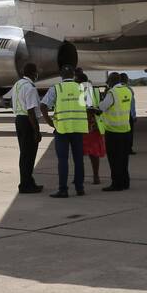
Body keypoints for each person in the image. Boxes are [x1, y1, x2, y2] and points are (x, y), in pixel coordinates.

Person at [40, 64, 92, 197]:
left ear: (61, 76)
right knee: (78, 159)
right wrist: (89, 123)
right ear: (73, 75)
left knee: (63, 160)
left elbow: (43, 105)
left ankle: (63, 189)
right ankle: (80, 188)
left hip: (62, 129)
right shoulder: (81, 88)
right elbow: (89, 107)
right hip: (78, 128)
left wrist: (50, 122)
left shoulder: (56, 88)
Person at [11, 62, 44, 194]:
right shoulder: (30, 88)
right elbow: (31, 110)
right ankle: (26, 184)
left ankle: (28, 181)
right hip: (27, 121)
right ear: (33, 73)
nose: (37, 74)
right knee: (29, 154)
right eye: (36, 72)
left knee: (24, 154)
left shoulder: (17, 85)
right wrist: (37, 131)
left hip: (19, 119)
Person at [99, 72, 134, 191]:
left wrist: (103, 97)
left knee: (114, 160)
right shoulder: (128, 91)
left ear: (111, 81)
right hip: (126, 130)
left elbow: (102, 107)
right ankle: (125, 182)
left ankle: (116, 184)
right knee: (124, 159)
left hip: (113, 131)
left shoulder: (112, 93)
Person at [76, 69, 105, 185]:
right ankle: (96, 176)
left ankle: (80, 177)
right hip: (94, 126)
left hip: (83, 126)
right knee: (94, 154)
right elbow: (99, 107)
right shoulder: (96, 91)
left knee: (79, 154)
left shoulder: (80, 91)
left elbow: (87, 107)